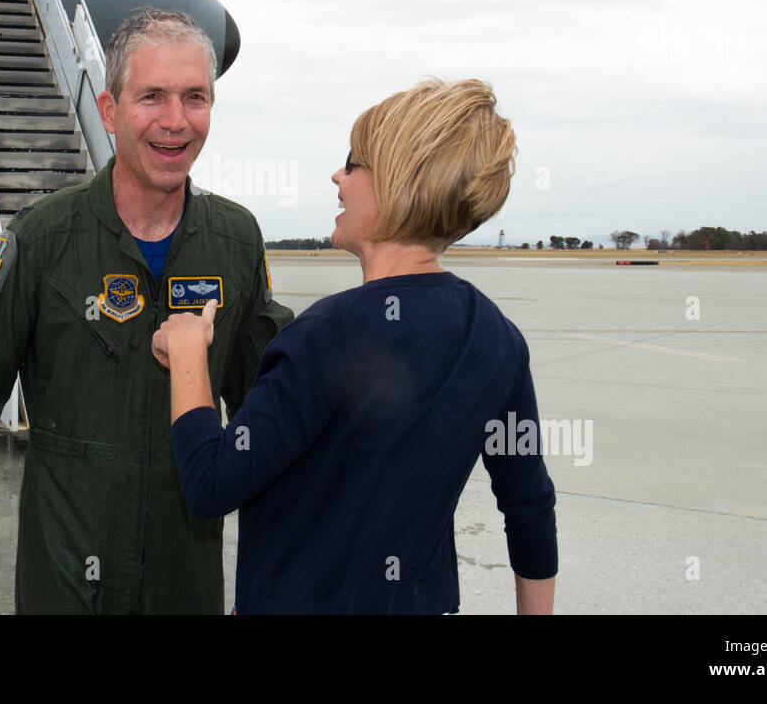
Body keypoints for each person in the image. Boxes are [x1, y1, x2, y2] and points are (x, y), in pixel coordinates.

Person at [0, 9, 293, 614]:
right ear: (111, 111)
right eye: (152, 97)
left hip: (185, 564)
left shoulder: (236, 240)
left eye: (195, 97)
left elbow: (267, 395)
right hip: (64, 559)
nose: (175, 121)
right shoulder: (41, 240)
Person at [154, 79, 558, 614]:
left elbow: (211, 484)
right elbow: (529, 507)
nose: (338, 177)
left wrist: (187, 352)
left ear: (396, 182)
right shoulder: (497, 336)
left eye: (354, 163)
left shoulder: (325, 334)